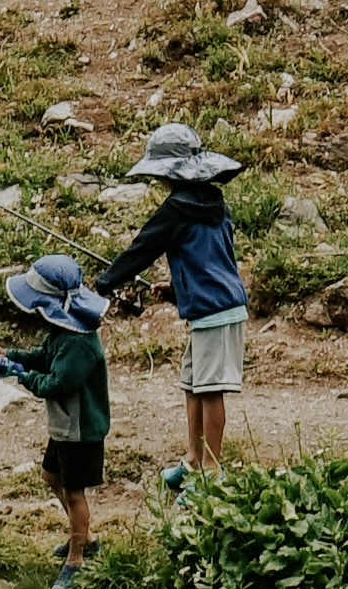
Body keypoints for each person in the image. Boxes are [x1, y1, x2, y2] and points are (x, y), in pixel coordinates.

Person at [101, 121, 251, 480]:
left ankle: (213, 470)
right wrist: (176, 290)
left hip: (216, 312)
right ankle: (193, 458)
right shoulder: (214, 203)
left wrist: (105, 283)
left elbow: (142, 249)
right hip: (212, 307)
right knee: (192, 384)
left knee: (211, 390)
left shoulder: (175, 210)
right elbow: (214, 259)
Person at [0, 257, 113, 575]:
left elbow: (57, 383)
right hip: (64, 426)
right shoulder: (62, 331)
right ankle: (84, 538)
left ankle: (76, 558)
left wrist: (20, 376)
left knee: (74, 493)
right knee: (52, 477)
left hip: (80, 430)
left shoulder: (79, 343)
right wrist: (10, 355)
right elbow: (44, 358)